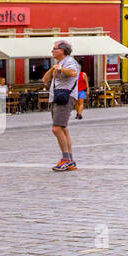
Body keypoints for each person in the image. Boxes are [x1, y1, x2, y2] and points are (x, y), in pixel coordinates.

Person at [43, 40, 80, 169]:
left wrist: (60, 69)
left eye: (54, 49)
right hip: (57, 98)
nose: (52, 51)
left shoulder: (69, 62)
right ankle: (70, 160)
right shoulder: (59, 63)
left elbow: (73, 73)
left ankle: (66, 159)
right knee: (63, 129)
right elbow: (45, 79)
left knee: (56, 128)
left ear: (62, 51)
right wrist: (54, 68)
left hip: (64, 97)